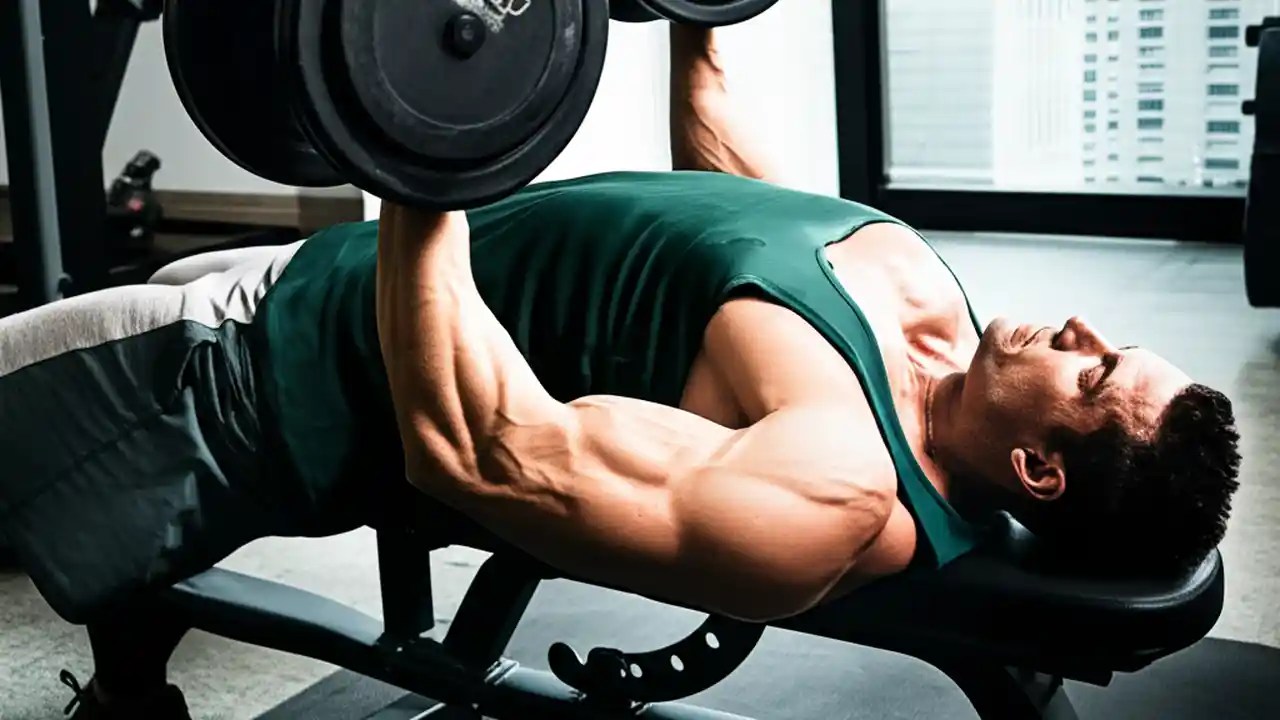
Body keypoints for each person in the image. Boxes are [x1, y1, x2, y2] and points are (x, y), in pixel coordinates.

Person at [0, 25, 1240, 720]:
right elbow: (719, 175)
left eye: (1095, 371)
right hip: (334, 268)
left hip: (264, 371)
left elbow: (482, 452)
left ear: (1035, 468)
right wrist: (700, 22)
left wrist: (421, 147)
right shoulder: (924, 299)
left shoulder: (830, 490)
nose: (1080, 327)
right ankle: (127, 687)